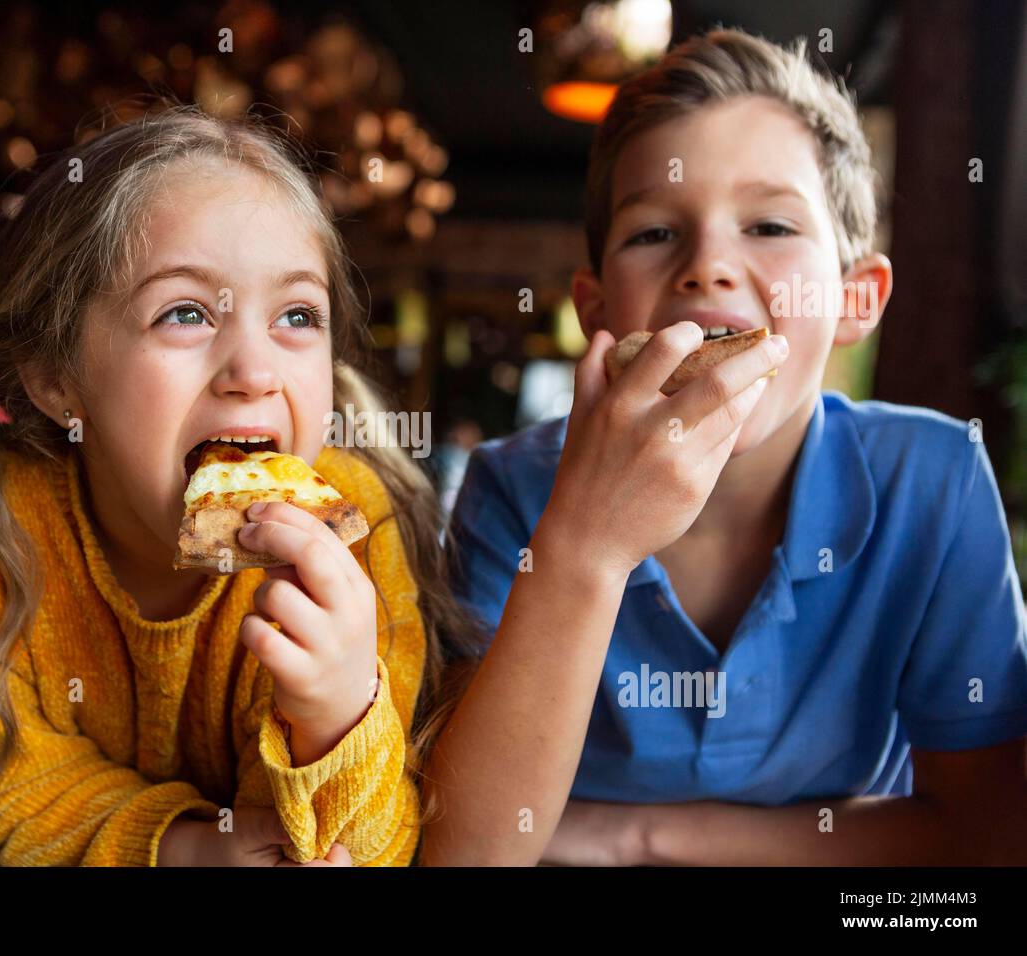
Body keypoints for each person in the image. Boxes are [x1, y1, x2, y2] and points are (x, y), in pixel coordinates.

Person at [0, 107, 472, 866]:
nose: (255, 372)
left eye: (297, 315)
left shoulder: (352, 534)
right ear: (57, 379)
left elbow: (367, 850)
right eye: (185, 313)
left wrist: (337, 716)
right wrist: (183, 849)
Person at [422, 28, 1027, 865]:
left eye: (771, 224)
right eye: (653, 234)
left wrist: (637, 835)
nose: (708, 265)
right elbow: (465, 850)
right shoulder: (514, 489)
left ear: (858, 297)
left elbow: (984, 836)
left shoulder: (934, 478)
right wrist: (585, 545)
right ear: (596, 311)